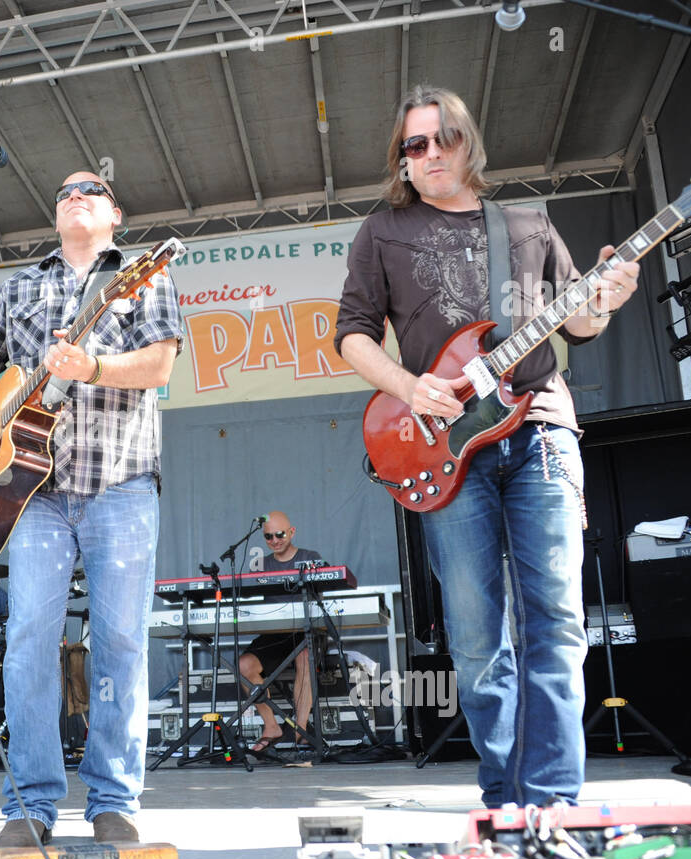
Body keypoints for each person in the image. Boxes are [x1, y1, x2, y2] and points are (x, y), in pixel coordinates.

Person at [335, 86, 639, 807]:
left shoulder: (526, 223)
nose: (432, 153)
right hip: (447, 446)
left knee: (558, 621)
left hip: (540, 428)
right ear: (401, 160)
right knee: (475, 640)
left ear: (468, 141)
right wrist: (410, 389)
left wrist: (604, 298)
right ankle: (506, 795)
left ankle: (553, 801)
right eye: (415, 145)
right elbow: (351, 335)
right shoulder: (382, 232)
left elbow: (581, 325)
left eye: (444, 138)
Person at [0, 171, 183, 848]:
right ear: (57, 217)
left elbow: (161, 364)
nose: (75, 193)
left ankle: (113, 797)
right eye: (65, 191)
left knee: (120, 643)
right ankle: (29, 801)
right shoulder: (20, 284)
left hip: (123, 482)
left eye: (92, 189)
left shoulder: (142, 275)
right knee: (27, 643)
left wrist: (94, 368)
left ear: (116, 212)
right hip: (32, 494)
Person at [240, 510, 324, 752]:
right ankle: (271, 726)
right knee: (245, 665)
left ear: (292, 532)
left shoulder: (311, 557)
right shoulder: (261, 564)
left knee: (304, 655)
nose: (274, 541)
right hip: (275, 635)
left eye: (279, 534)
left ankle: (300, 729)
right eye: (268, 537)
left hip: (306, 632)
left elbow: (324, 594)